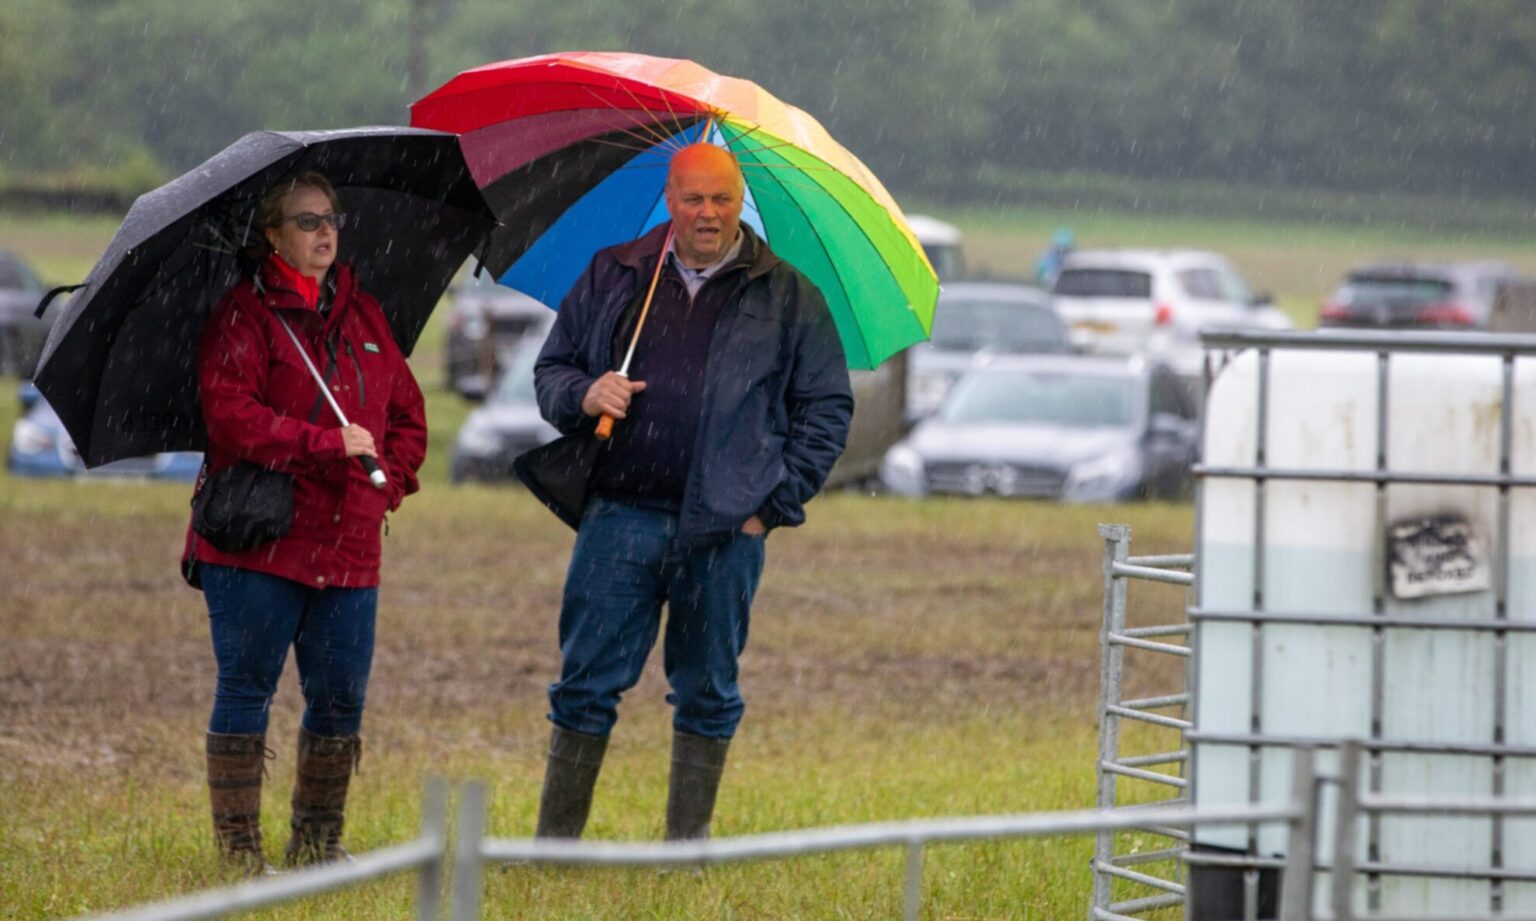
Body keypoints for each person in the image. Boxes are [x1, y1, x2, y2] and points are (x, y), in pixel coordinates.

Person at [522, 142, 853, 841]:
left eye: (723, 198)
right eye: (694, 198)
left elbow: (827, 409)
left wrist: (775, 504)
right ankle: (553, 850)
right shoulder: (615, 273)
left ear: (741, 203)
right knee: (583, 687)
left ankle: (684, 854)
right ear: (669, 200)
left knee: (706, 694)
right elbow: (551, 371)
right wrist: (586, 392)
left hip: (727, 529)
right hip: (618, 517)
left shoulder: (789, 295)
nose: (709, 213)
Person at [182, 172, 427, 871]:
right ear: (273, 234)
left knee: (341, 697)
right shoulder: (244, 315)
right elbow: (230, 416)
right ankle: (239, 853)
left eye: (333, 219)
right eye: (308, 220)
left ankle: (317, 844)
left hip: (350, 544)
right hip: (258, 542)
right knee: (246, 687)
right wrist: (322, 443)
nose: (326, 232)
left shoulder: (366, 315)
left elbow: (406, 415)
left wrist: (391, 484)